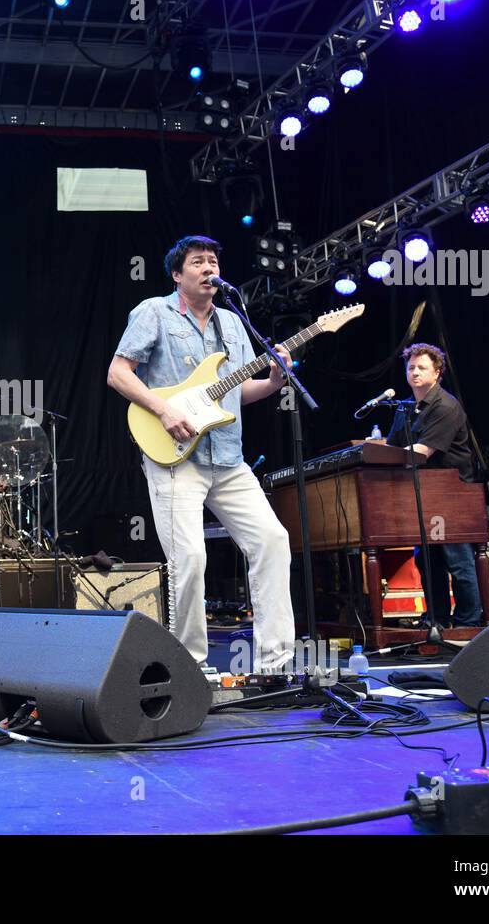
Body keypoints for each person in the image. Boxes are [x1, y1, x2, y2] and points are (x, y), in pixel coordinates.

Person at [107, 234, 296, 674]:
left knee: (273, 540)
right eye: (197, 262)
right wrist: (163, 408)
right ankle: (190, 666)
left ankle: (275, 663)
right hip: (174, 457)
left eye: (213, 260)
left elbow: (238, 392)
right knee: (190, 558)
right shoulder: (153, 312)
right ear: (177, 274)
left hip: (228, 458)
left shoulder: (233, 324)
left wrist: (273, 382)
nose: (209, 267)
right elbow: (118, 373)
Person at [384, 342, 481, 627]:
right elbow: (392, 448)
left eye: (421, 367)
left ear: (437, 373)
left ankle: (468, 621)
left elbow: (422, 451)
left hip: (452, 494)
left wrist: (384, 455)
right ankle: (436, 618)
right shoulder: (405, 408)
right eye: (411, 367)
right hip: (424, 494)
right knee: (427, 562)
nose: (414, 372)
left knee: (458, 560)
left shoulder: (446, 406)